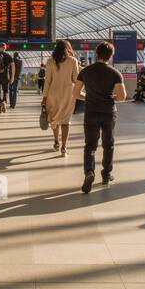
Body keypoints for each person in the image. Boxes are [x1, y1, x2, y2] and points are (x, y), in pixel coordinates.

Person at [72, 41, 126, 193]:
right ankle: (106, 174)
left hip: (91, 111)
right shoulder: (115, 73)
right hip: (109, 112)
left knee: (90, 145)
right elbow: (122, 97)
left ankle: (89, 172)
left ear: (96, 54)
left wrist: (88, 98)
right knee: (108, 144)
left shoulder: (85, 71)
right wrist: (110, 97)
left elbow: (75, 94)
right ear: (111, 55)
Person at [42, 39, 78, 156]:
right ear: (68, 48)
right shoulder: (73, 61)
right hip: (68, 95)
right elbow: (75, 79)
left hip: (53, 94)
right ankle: (64, 147)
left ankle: (56, 141)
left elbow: (47, 81)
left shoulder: (50, 61)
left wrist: (44, 97)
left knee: (54, 120)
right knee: (66, 122)